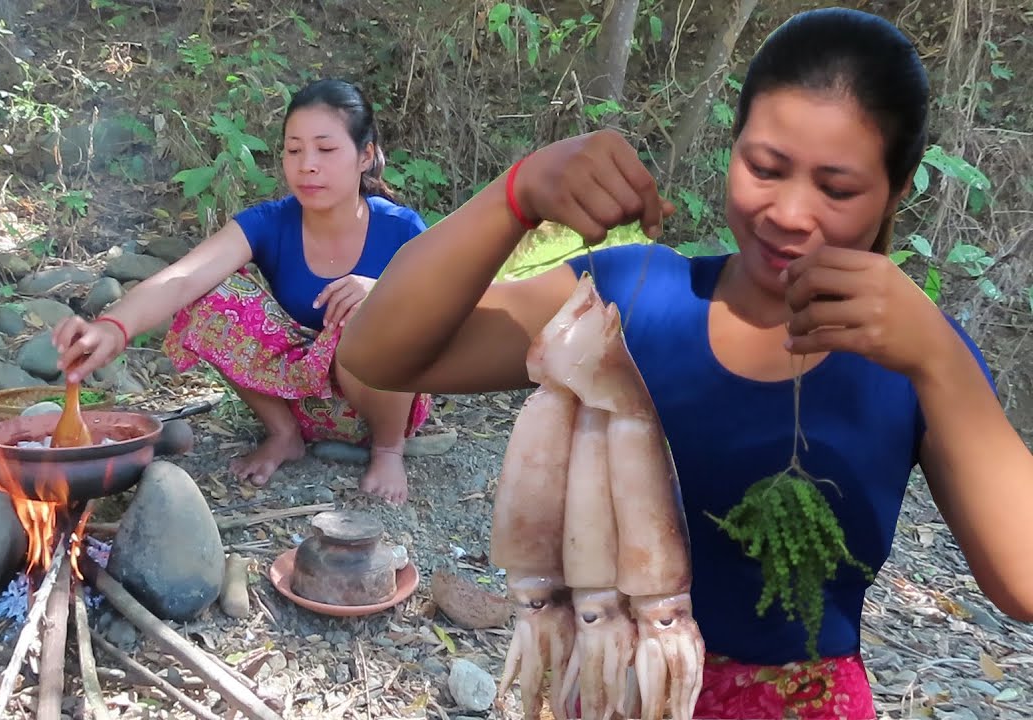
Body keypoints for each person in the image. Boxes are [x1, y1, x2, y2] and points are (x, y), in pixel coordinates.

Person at [337, 8, 1033, 719]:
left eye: (837, 188)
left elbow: (1025, 584)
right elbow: (380, 353)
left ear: (897, 188)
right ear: (731, 147)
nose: (790, 212)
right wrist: (515, 195)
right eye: (765, 167)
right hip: (610, 688)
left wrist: (941, 357)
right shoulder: (633, 303)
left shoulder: (915, 358)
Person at [53, 78, 433, 505]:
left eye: (326, 150)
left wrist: (382, 291)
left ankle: (387, 450)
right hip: (298, 397)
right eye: (294, 150)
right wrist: (111, 327)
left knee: (379, 311)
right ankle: (285, 435)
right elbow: (185, 277)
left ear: (364, 156)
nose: (307, 164)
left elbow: (452, 305)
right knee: (211, 295)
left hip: (380, 403)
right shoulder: (271, 222)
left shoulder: (401, 228)